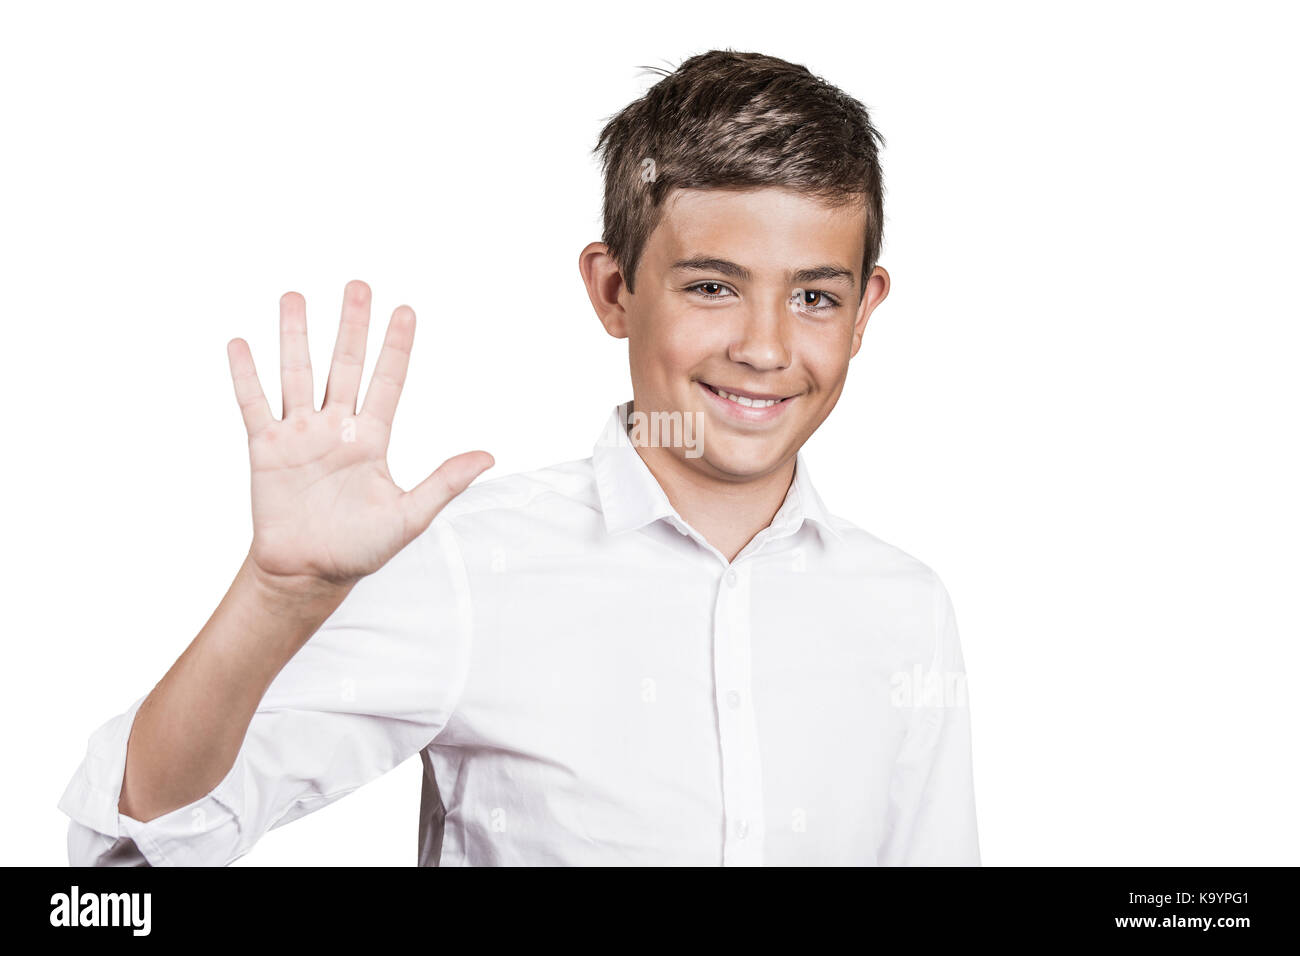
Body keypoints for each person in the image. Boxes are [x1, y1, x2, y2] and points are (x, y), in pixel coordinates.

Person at [59, 49, 980, 866]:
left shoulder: (906, 611)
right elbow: (138, 848)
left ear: (865, 311)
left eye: (816, 297)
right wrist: (275, 597)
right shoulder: (468, 565)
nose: (767, 348)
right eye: (711, 286)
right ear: (614, 290)